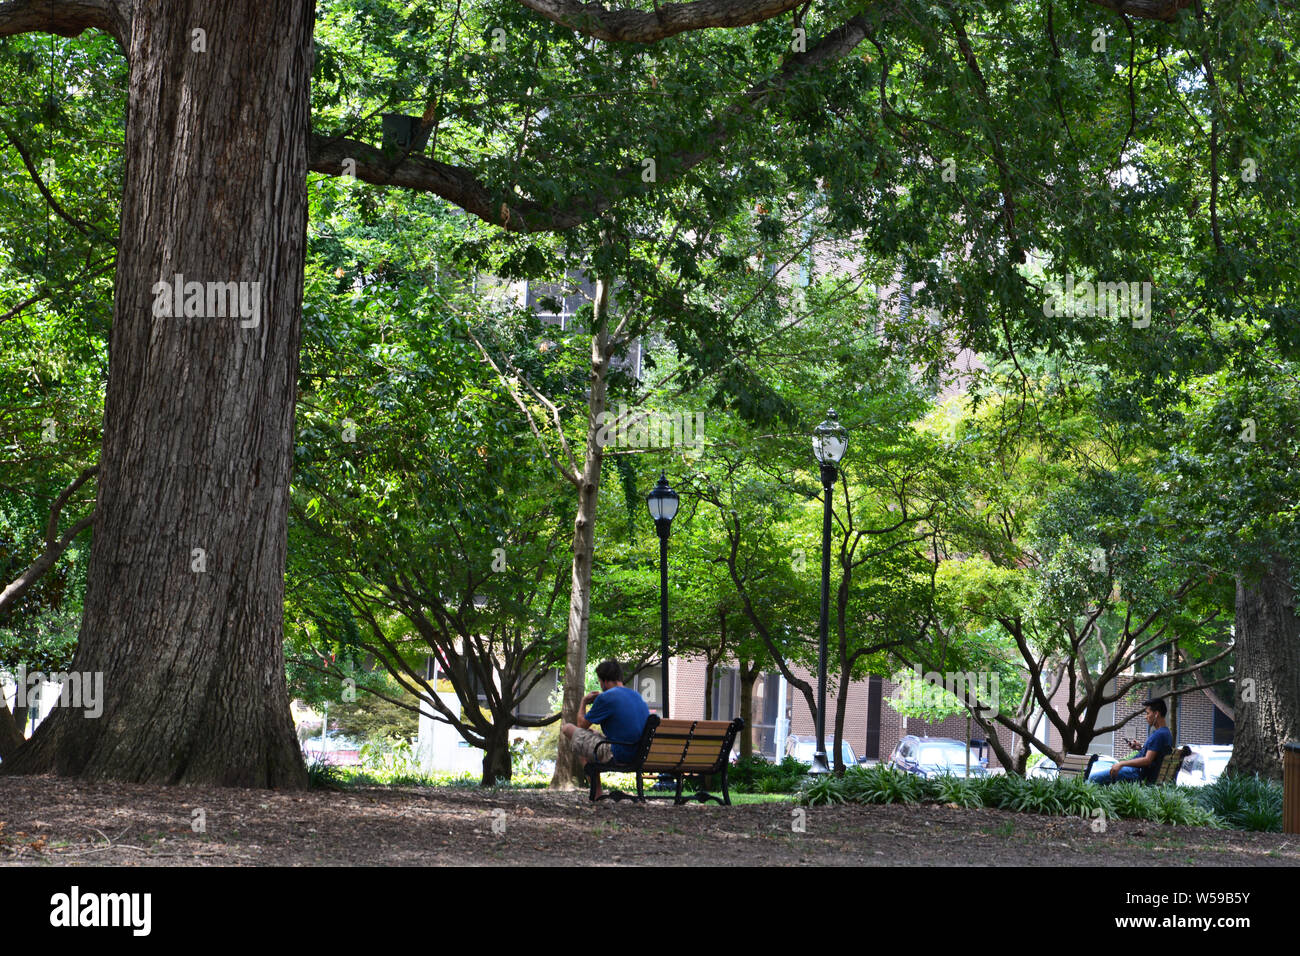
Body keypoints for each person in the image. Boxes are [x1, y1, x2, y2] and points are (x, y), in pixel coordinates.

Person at [560, 660, 649, 796]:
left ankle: (597, 793)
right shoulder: (637, 696)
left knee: (569, 730)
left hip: (619, 754)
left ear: (605, 681)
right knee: (589, 736)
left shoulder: (606, 697)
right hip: (639, 754)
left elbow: (581, 726)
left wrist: (584, 701)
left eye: (600, 682)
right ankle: (597, 792)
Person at [1089, 698, 1173, 785]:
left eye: (1148, 713)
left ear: (1156, 714)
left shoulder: (1159, 734)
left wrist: (1122, 763)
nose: (1146, 717)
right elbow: (1154, 756)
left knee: (1092, 777)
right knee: (1101, 768)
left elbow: (1147, 760)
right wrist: (1140, 749)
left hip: (1136, 773)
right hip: (1136, 771)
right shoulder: (1165, 733)